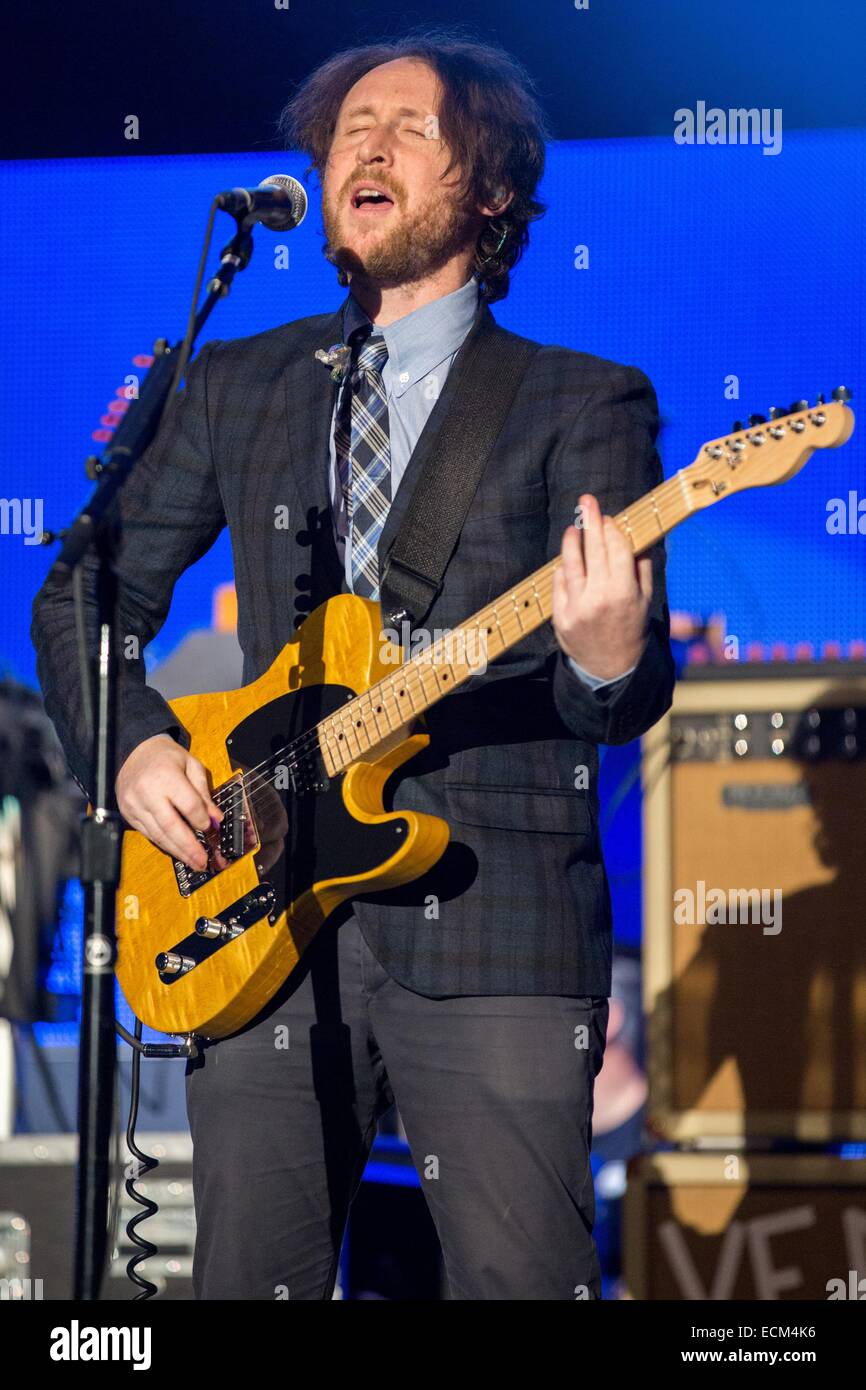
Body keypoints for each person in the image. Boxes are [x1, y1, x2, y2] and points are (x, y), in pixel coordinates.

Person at [32, 31, 675, 1300]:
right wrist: (140, 742)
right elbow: (86, 593)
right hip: (260, 903)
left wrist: (606, 660)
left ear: (489, 192)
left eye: (409, 128)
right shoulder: (239, 381)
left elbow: (620, 688)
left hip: (494, 921)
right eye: (346, 130)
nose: (362, 147)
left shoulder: (580, 400)